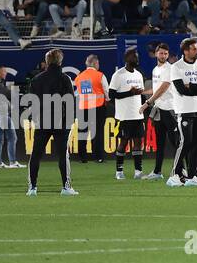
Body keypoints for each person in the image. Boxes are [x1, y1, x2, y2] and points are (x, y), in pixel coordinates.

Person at [26, 48, 78, 196]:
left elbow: (32, 102)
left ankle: (32, 188)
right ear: (60, 61)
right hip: (61, 121)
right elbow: (70, 101)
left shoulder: (37, 79)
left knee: (35, 154)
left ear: (47, 61)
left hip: (42, 121)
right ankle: (66, 187)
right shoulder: (64, 78)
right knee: (63, 155)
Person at [169, 37, 197, 187]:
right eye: (194, 49)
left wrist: (191, 86)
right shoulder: (176, 67)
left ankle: (192, 177)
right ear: (185, 51)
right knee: (185, 143)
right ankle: (174, 175)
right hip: (184, 111)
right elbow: (181, 90)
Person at [110, 48, 148, 180]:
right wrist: (129, 93)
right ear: (127, 59)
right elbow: (111, 95)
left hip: (137, 114)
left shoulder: (138, 74)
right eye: (134, 57)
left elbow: (140, 93)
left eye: (137, 57)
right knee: (124, 142)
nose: (137, 59)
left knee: (138, 142)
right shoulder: (118, 75)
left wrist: (143, 105)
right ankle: (119, 172)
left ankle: (138, 171)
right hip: (124, 116)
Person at [140, 42, 177, 179]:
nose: (163, 55)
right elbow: (156, 89)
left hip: (170, 109)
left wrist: (147, 102)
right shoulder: (155, 70)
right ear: (156, 54)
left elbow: (163, 88)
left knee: (176, 142)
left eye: (166, 53)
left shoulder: (169, 69)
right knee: (160, 142)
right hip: (159, 109)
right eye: (161, 53)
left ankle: (182, 170)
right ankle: (157, 172)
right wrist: (142, 92)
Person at [73, 54, 108, 163]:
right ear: (95, 63)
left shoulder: (80, 77)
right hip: (98, 107)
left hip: (84, 107)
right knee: (98, 132)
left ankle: (82, 157)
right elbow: (106, 91)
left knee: (83, 132)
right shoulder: (100, 75)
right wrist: (108, 99)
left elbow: (79, 93)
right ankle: (98, 157)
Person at [0, 63, 22, 168]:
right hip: (1, 114)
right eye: (3, 71)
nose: (5, 73)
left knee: (0, 139)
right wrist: (14, 90)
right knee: (11, 137)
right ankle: (11, 162)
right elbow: (9, 95)